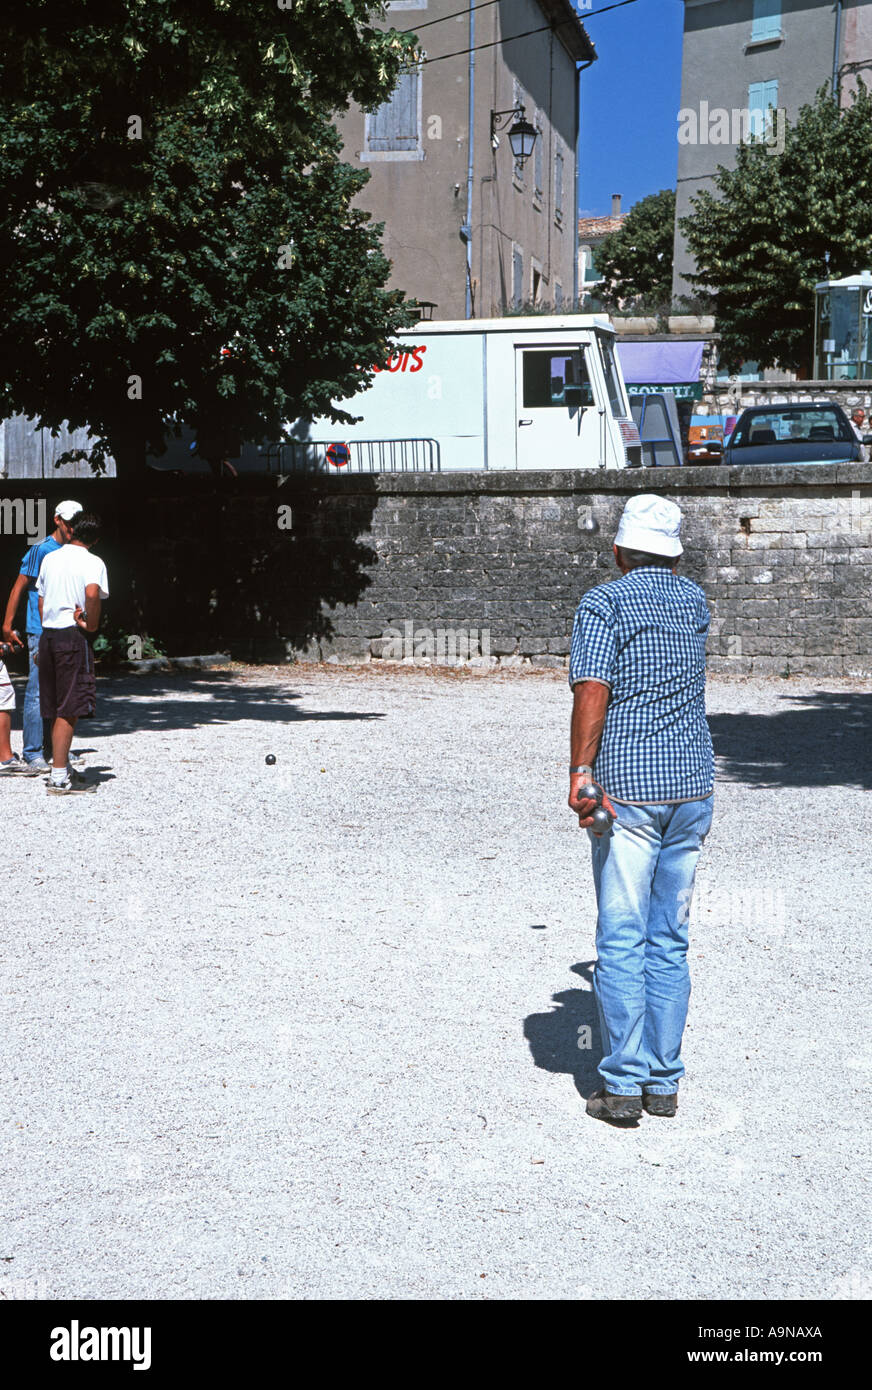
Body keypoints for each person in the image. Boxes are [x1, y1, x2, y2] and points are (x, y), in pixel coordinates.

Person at [567, 494, 715, 1124]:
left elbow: (592, 688)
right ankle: (665, 1081)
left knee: (622, 938)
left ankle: (624, 1085)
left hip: (628, 788)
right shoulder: (695, 602)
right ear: (675, 554)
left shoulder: (605, 602)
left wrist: (580, 771)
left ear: (619, 551)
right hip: (692, 786)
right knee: (670, 940)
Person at [2, 499, 83, 773]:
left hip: (65, 628)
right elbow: (20, 585)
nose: (73, 528)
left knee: (61, 692)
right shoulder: (40, 549)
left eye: (77, 523)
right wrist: (7, 625)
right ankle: (33, 752)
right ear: (57, 520)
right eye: (69, 522)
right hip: (39, 629)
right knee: (37, 692)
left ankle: (56, 751)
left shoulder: (75, 551)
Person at [36, 512, 109, 794]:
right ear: (96, 539)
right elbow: (92, 594)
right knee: (70, 705)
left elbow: (41, 599)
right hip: (72, 635)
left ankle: (61, 765)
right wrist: (90, 623)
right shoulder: (93, 561)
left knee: (55, 705)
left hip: (49, 634)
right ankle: (58, 776)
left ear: (72, 531)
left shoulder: (50, 558)